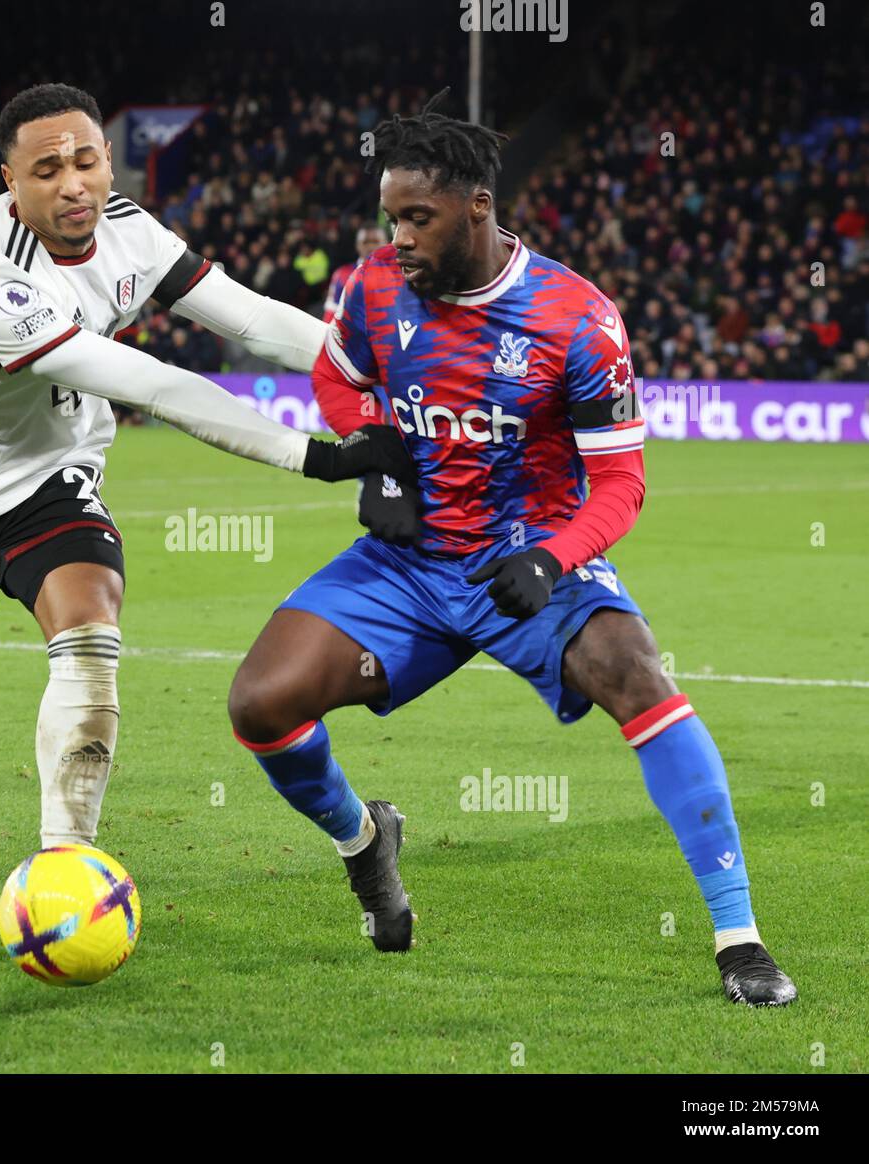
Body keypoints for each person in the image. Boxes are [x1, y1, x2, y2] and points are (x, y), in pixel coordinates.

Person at [227, 93, 796, 1007]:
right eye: (391, 219)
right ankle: (365, 844)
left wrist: (554, 558)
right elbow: (338, 376)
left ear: (478, 206)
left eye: (418, 218)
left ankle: (740, 938)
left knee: (637, 672)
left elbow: (621, 483)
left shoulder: (575, 318)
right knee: (261, 705)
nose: (399, 238)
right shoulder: (374, 287)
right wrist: (376, 461)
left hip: (525, 558)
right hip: (410, 567)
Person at [0, 83, 411, 882]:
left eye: (86, 161)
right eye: (47, 169)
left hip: (54, 473)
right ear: (9, 182)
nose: (73, 183)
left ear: (109, 160)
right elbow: (153, 384)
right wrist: (319, 455)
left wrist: (384, 367)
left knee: (90, 630)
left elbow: (253, 319)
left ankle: (66, 866)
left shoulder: (128, 230)